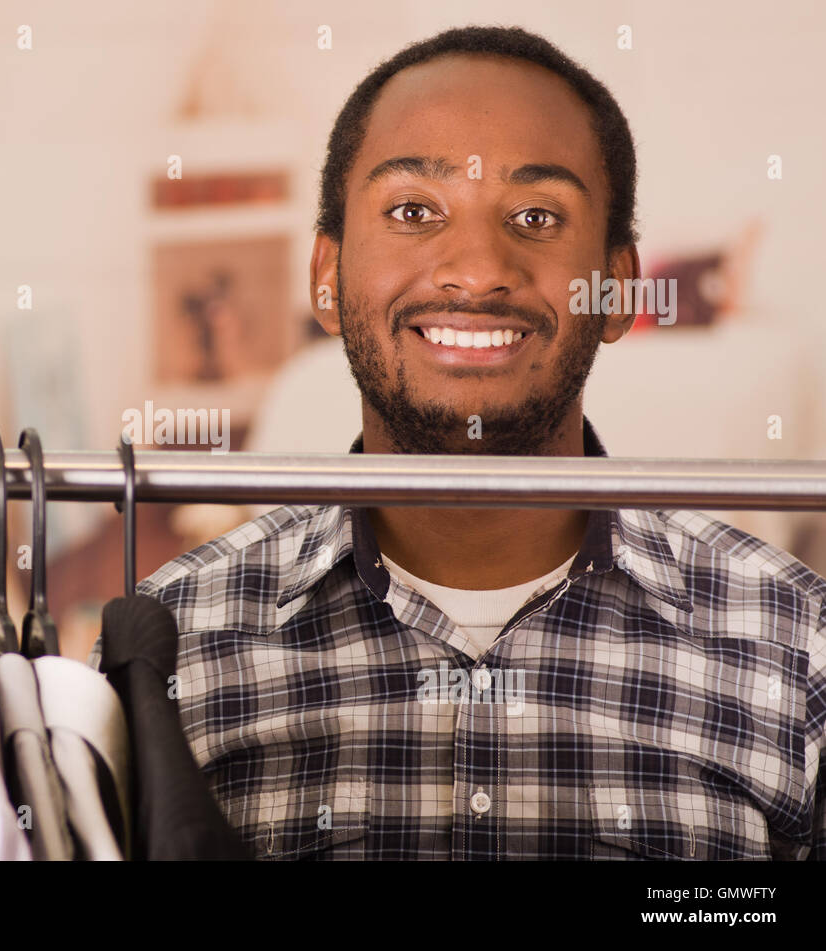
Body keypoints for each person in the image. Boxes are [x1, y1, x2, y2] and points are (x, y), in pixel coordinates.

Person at [94, 25, 826, 860]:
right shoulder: (167, 658)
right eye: (413, 211)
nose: (477, 271)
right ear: (325, 277)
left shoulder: (796, 646)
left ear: (619, 287)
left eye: (536, 216)